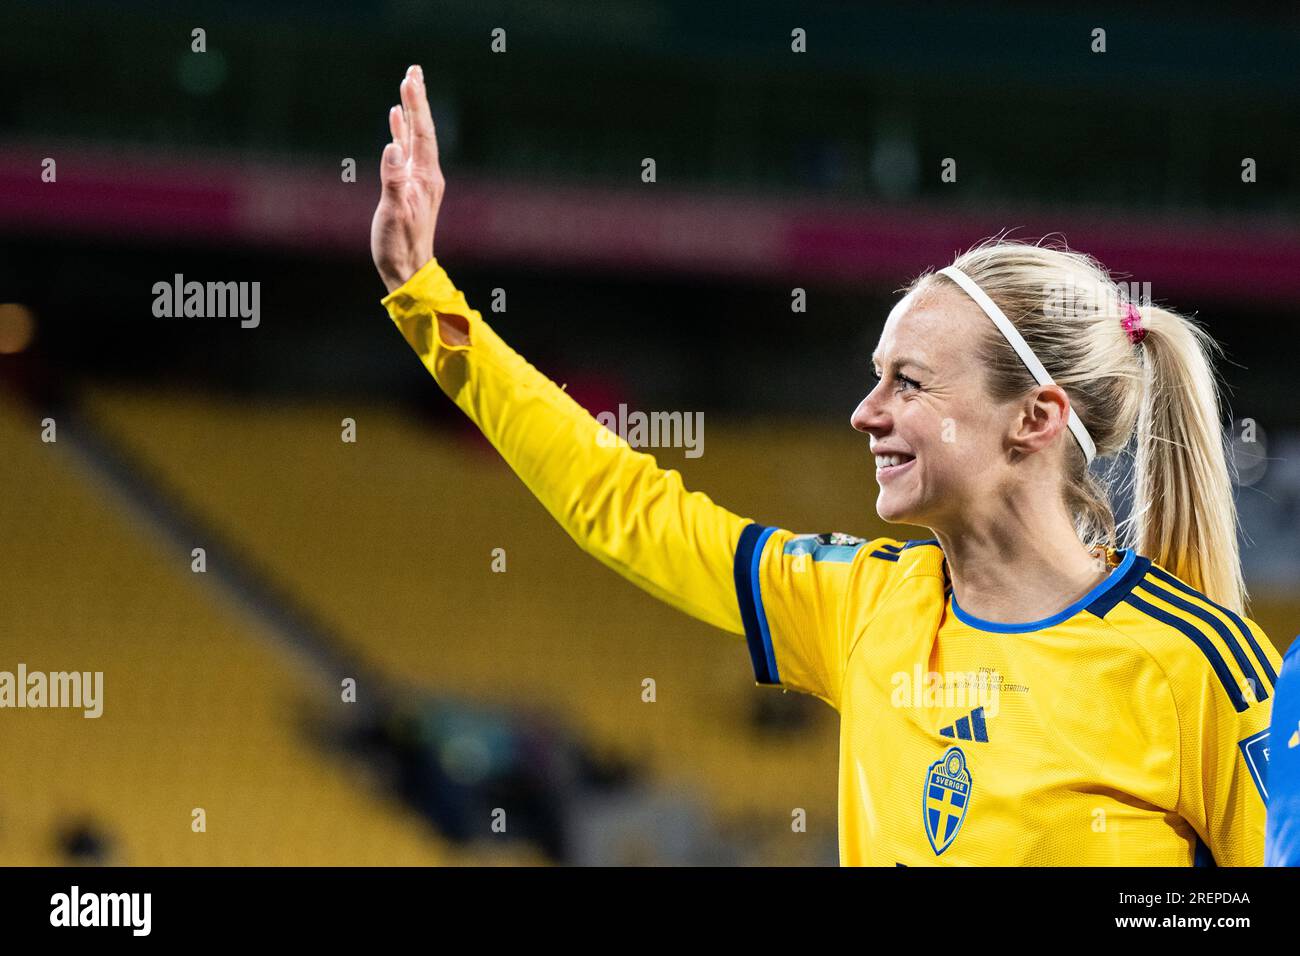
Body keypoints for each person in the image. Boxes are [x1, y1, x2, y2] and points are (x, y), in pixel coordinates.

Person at [370, 64, 1281, 865]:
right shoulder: (864, 605)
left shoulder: (1200, 665)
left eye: (909, 383)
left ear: (1035, 418)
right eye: (873, 378)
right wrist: (427, 306)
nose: (865, 412)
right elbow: (624, 506)